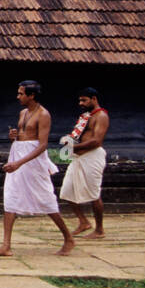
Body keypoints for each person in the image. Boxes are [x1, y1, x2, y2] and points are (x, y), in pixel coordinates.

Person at [0, 80, 74, 257]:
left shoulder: (43, 114)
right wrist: (14, 136)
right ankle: (6, 245)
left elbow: (42, 145)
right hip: (18, 153)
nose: (18, 96)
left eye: (21, 93)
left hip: (33, 160)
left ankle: (68, 237)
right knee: (10, 195)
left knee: (45, 198)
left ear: (32, 95)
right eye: (18, 93)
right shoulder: (23, 112)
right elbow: (23, 136)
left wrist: (19, 163)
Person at [60, 87, 110, 240]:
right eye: (79, 100)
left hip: (93, 157)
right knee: (67, 191)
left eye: (84, 100)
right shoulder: (86, 117)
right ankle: (83, 222)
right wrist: (69, 141)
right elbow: (82, 136)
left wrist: (72, 147)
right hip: (79, 157)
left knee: (94, 194)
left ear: (94, 99)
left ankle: (100, 230)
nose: (80, 103)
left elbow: (96, 141)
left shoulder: (101, 116)